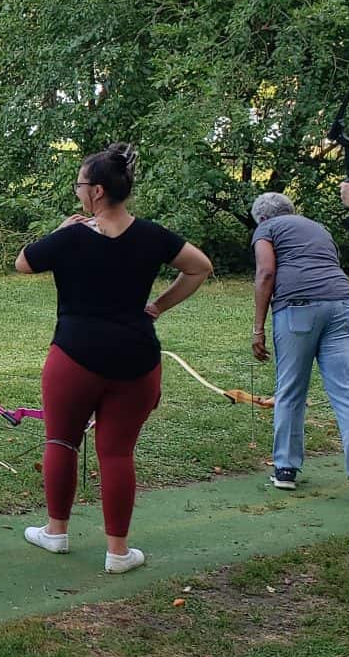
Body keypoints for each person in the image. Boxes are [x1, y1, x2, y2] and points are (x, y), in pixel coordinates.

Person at [15, 144, 213, 573]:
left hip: (74, 355)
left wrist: (61, 229)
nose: (77, 191)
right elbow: (199, 266)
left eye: (80, 184)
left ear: (97, 191)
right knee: (118, 453)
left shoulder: (71, 236)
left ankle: (56, 531)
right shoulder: (153, 235)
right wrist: (158, 305)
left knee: (61, 441)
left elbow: (23, 262)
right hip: (136, 359)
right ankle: (118, 552)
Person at [248, 192, 349, 500]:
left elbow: (266, 272)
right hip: (342, 305)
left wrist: (258, 329)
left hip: (297, 308)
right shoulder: (318, 228)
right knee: (348, 390)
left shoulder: (266, 228)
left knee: (290, 389)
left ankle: (285, 469)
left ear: (263, 218)